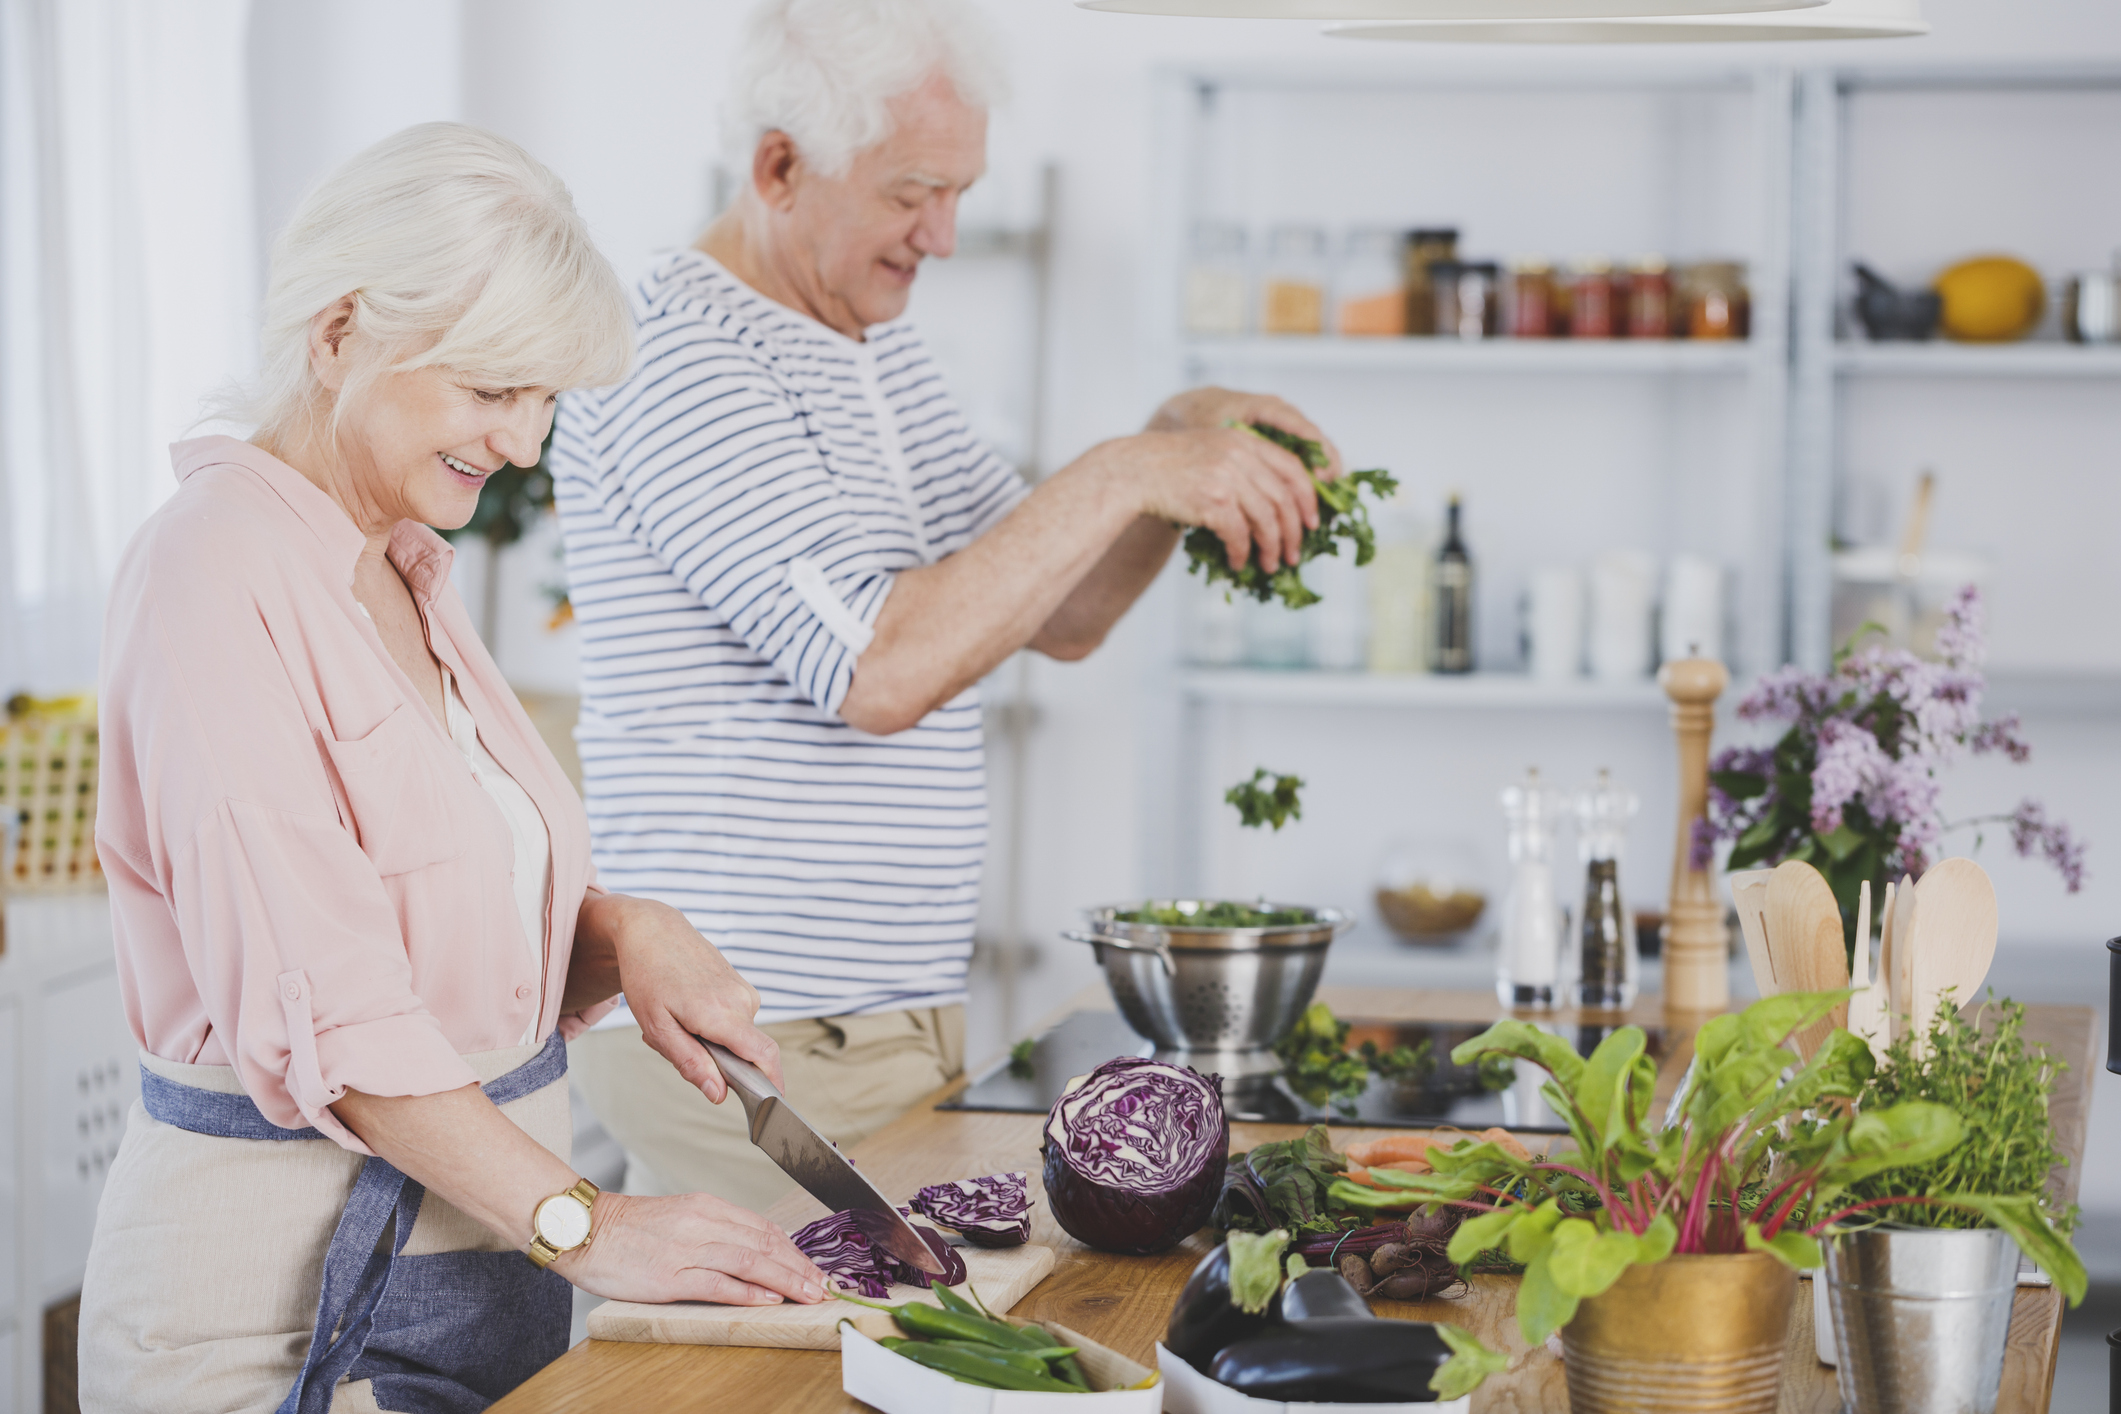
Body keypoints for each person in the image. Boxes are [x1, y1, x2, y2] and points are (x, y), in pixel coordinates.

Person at [80, 123, 827, 1414]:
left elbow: (425, 911)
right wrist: (595, 1225)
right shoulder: (210, 569)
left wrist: (619, 934)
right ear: (338, 334)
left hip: (476, 1272)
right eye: (494, 389)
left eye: (546, 399)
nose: (527, 444)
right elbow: (335, 1008)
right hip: (281, 1308)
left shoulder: (403, 567)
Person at [554, 0, 1338, 1211]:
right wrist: (1133, 469)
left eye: (962, 192)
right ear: (779, 166)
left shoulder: (872, 347)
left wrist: (1181, 450)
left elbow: (1055, 612)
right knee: (811, 1373)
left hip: (892, 1013)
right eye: (915, 192)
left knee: (891, 1362)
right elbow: (880, 670)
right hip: (751, 1027)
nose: (948, 236)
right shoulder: (679, 352)